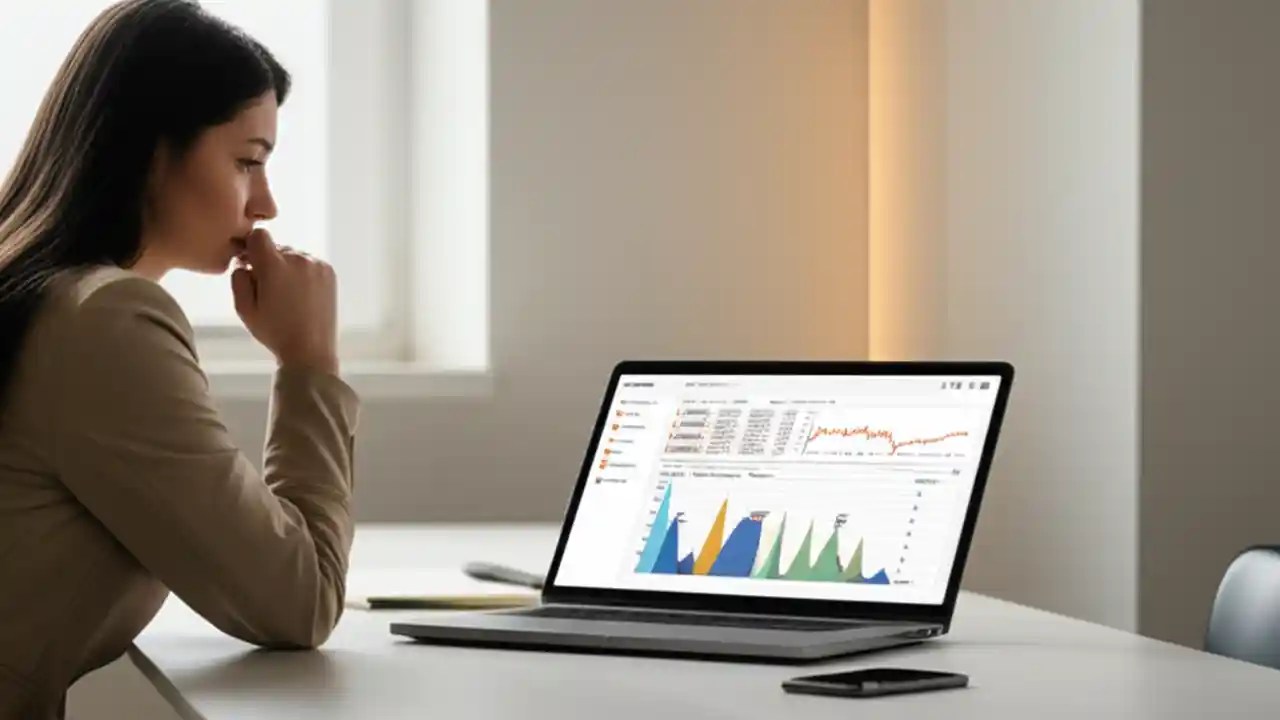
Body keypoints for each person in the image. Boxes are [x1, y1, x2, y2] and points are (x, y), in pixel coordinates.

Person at [0, 1, 359, 716]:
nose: (266, 204)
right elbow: (299, 603)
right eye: (247, 162)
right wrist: (308, 359)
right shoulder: (107, 321)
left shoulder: (48, 296)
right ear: (149, 150)